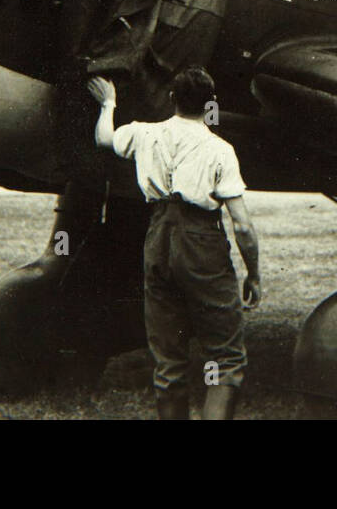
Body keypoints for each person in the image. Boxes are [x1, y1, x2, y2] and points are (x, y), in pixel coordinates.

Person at [87, 67, 261, 420]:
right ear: (210, 104)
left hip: (158, 236)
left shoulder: (144, 133)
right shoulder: (220, 149)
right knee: (226, 357)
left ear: (172, 98)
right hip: (201, 241)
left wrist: (109, 104)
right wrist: (253, 274)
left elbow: (105, 139)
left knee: (168, 359)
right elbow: (242, 225)